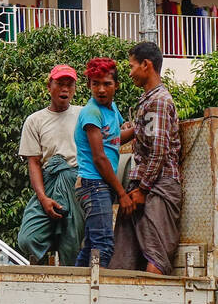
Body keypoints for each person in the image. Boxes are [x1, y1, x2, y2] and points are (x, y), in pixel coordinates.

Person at [109, 42, 182, 275]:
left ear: (146, 65)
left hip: (158, 186)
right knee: (125, 251)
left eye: (131, 66)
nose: (130, 73)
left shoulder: (158, 101)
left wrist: (142, 189)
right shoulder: (147, 100)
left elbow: (158, 150)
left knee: (156, 253)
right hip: (143, 184)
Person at [17, 64, 85, 265]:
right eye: (60, 84)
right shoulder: (35, 120)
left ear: (74, 89)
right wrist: (43, 198)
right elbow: (34, 163)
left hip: (76, 181)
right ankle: (51, 241)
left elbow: (104, 142)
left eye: (69, 85)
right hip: (49, 181)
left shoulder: (84, 115)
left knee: (72, 244)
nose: (65, 89)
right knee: (27, 238)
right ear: (49, 86)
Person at [73, 57, 135, 266]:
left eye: (107, 84)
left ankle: (77, 287)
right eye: (95, 83)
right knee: (104, 245)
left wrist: (137, 130)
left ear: (116, 86)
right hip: (94, 185)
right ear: (89, 85)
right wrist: (121, 193)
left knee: (92, 245)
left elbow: (116, 139)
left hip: (100, 186)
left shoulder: (111, 109)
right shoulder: (91, 113)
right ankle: (94, 293)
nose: (100, 89)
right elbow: (100, 158)